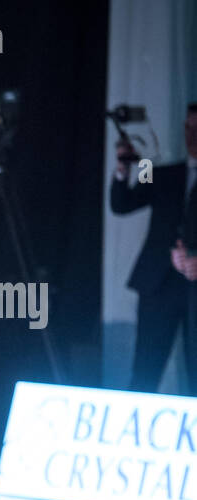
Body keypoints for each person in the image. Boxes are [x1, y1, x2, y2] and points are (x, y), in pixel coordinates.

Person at [110, 102, 197, 393]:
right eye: (188, 128)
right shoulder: (164, 173)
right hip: (159, 283)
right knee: (145, 370)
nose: (191, 135)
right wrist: (126, 165)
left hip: (194, 285)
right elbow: (124, 203)